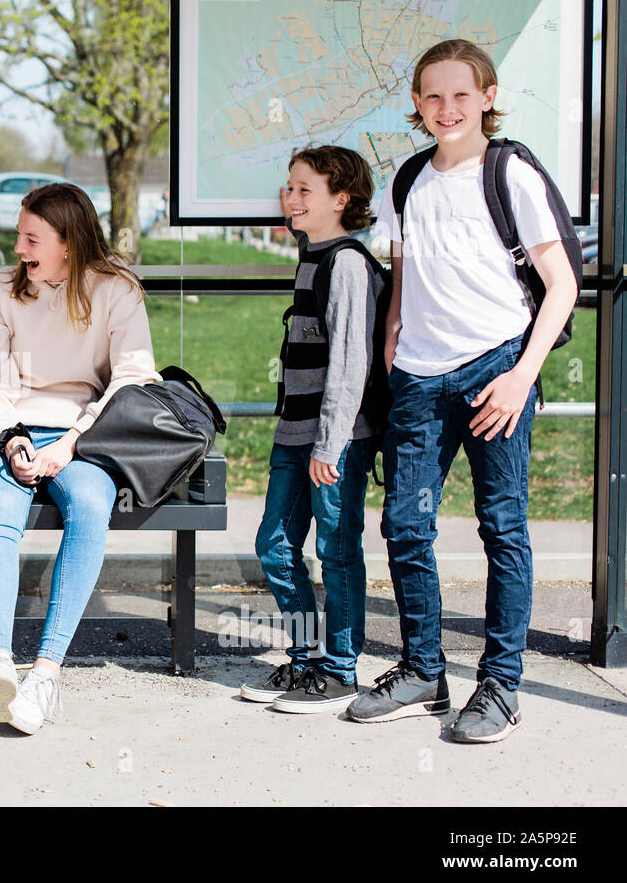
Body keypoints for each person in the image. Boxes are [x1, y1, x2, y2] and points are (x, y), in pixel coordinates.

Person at [347, 39, 578, 742]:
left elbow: (563, 284)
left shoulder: (511, 175)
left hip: (494, 372)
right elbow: (404, 267)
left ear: (487, 95)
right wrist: (392, 332)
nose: (447, 108)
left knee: (501, 526)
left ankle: (501, 686)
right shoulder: (407, 179)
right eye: (432, 96)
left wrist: (520, 376)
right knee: (407, 525)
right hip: (420, 379)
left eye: (460, 94)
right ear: (416, 104)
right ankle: (423, 670)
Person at [0, 182, 160, 734]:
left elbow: (131, 379)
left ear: (68, 244)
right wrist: (10, 438)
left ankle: (46, 672)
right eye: (19, 236)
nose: (19, 249)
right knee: (1, 513)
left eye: (32, 239)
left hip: (85, 431)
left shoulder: (116, 288)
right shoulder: (3, 288)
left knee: (90, 508)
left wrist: (69, 443)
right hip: (12, 426)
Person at [239, 146, 382, 713]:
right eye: (288, 187)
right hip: (293, 434)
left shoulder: (346, 262)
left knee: (337, 550)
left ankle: (341, 669)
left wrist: (331, 444)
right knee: (274, 546)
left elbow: (351, 363)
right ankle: (305, 659)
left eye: (304, 190)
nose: (290, 197)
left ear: (340, 199)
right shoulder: (312, 254)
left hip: (332, 441)